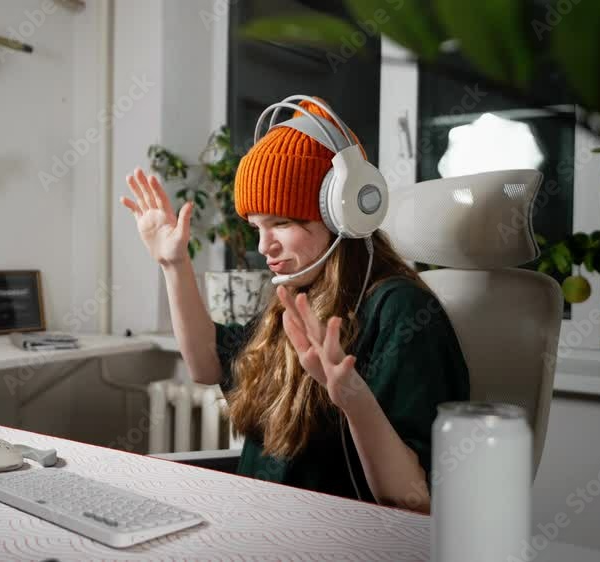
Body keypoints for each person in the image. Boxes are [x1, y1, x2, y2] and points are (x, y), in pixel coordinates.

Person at [119, 98, 470, 514]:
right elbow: (206, 365)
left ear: (343, 212)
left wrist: (352, 397)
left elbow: (412, 499)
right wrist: (173, 264)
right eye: (257, 227)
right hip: (259, 526)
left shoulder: (401, 312)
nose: (264, 247)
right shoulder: (296, 296)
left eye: (282, 223)